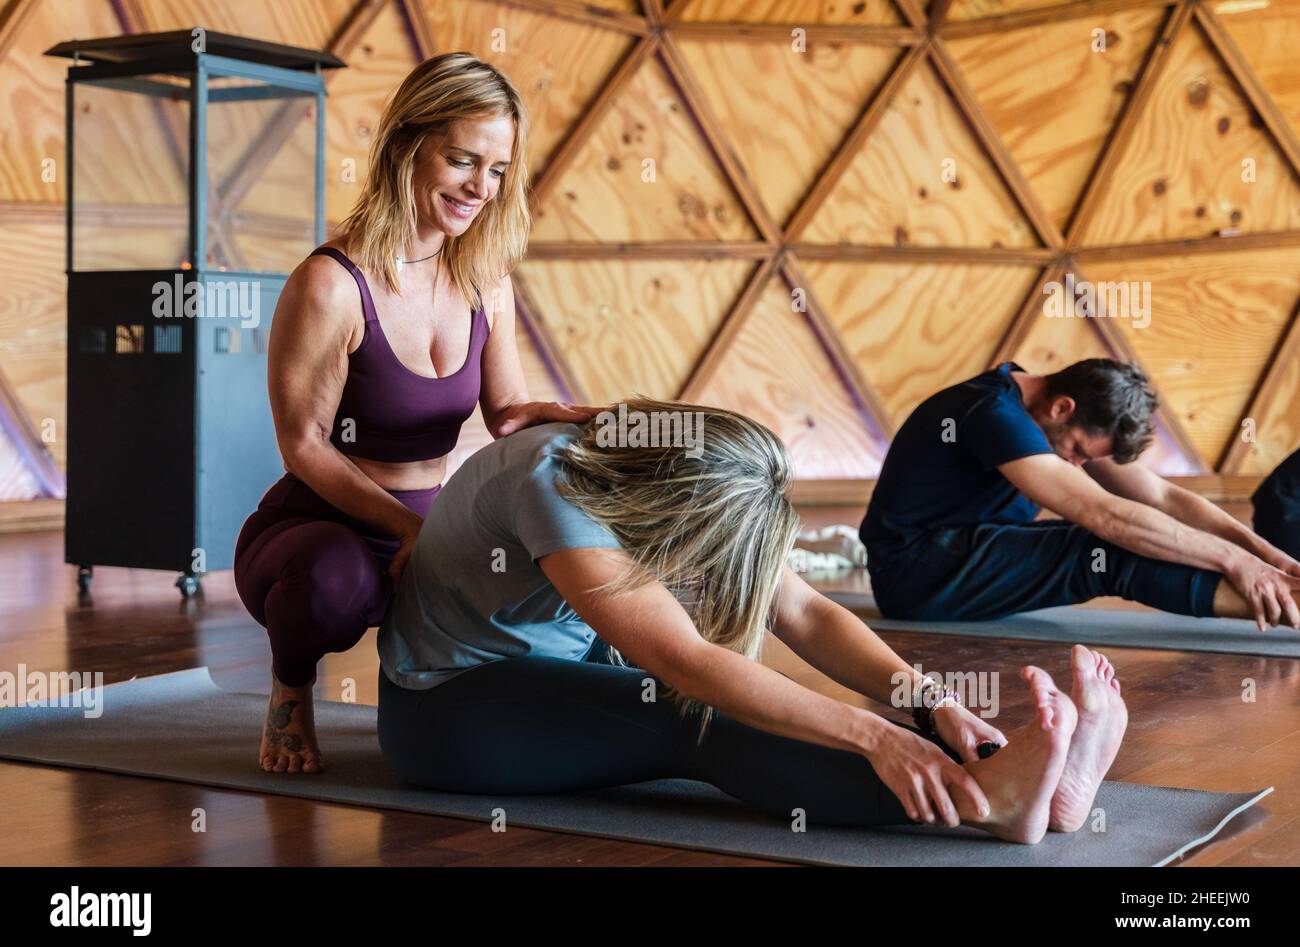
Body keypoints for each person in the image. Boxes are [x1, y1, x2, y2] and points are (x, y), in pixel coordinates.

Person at [376, 397, 1130, 842]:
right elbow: (689, 663)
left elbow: (802, 607)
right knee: (688, 713)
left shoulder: (657, 459)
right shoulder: (553, 489)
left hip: (557, 671)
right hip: (446, 713)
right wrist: (876, 735)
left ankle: (1029, 784)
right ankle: (989, 802)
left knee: (718, 700)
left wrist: (927, 703)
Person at [233, 53, 597, 774]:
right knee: (339, 585)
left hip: (435, 521)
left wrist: (564, 413)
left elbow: (507, 415)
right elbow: (303, 445)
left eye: (497, 170)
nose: (480, 188)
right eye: (462, 159)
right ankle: (289, 688)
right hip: (319, 527)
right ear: (407, 145)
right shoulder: (330, 284)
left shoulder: (485, 277)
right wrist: (407, 529)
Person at [859, 358, 1300, 631]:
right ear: (1062, 408)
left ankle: (1286, 594)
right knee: (1102, 548)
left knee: (1137, 532)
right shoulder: (993, 413)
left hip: (963, 553)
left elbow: (1164, 499)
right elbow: (1106, 515)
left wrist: (1264, 556)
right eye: (1076, 453)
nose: (1076, 466)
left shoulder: (1060, 416)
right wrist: (1233, 561)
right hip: (913, 574)